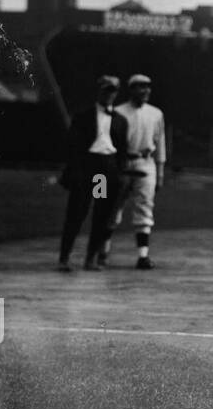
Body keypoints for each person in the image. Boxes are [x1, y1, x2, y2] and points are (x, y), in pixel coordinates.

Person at [58, 76, 129, 272]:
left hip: (104, 171)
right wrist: (74, 171)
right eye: (106, 90)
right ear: (99, 91)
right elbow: (72, 146)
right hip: (86, 167)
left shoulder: (120, 121)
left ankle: (91, 259)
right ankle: (64, 258)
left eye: (113, 91)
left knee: (101, 213)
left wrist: (119, 172)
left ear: (116, 93)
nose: (109, 94)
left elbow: (122, 150)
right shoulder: (83, 116)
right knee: (77, 213)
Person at [102, 74, 166, 270]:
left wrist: (161, 172)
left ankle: (143, 256)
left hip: (145, 163)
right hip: (122, 163)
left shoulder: (156, 113)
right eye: (140, 87)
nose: (145, 90)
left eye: (148, 87)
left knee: (145, 206)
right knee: (112, 208)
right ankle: (103, 252)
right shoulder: (118, 111)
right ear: (131, 89)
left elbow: (160, 144)